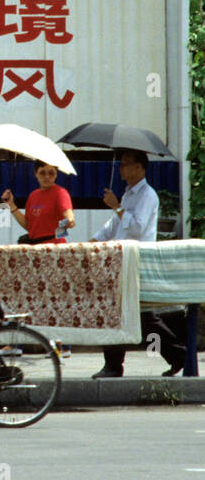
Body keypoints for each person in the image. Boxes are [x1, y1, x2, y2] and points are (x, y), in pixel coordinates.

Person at [90, 149, 182, 378]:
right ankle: (178, 356)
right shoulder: (129, 193)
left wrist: (116, 207)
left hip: (135, 260)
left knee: (133, 315)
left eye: (126, 164)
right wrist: (94, 240)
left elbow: (138, 227)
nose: (121, 168)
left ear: (139, 168)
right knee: (133, 315)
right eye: (121, 164)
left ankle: (114, 365)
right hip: (120, 259)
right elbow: (115, 225)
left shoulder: (148, 195)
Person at [1, 160, 76, 244]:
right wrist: (11, 205)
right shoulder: (33, 195)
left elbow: (67, 211)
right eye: (42, 173)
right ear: (35, 174)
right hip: (35, 247)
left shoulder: (60, 193)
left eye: (51, 173)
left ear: (56, 175)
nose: (47, 177)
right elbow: (29, 226)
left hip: (54, 247)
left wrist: (70, 219)